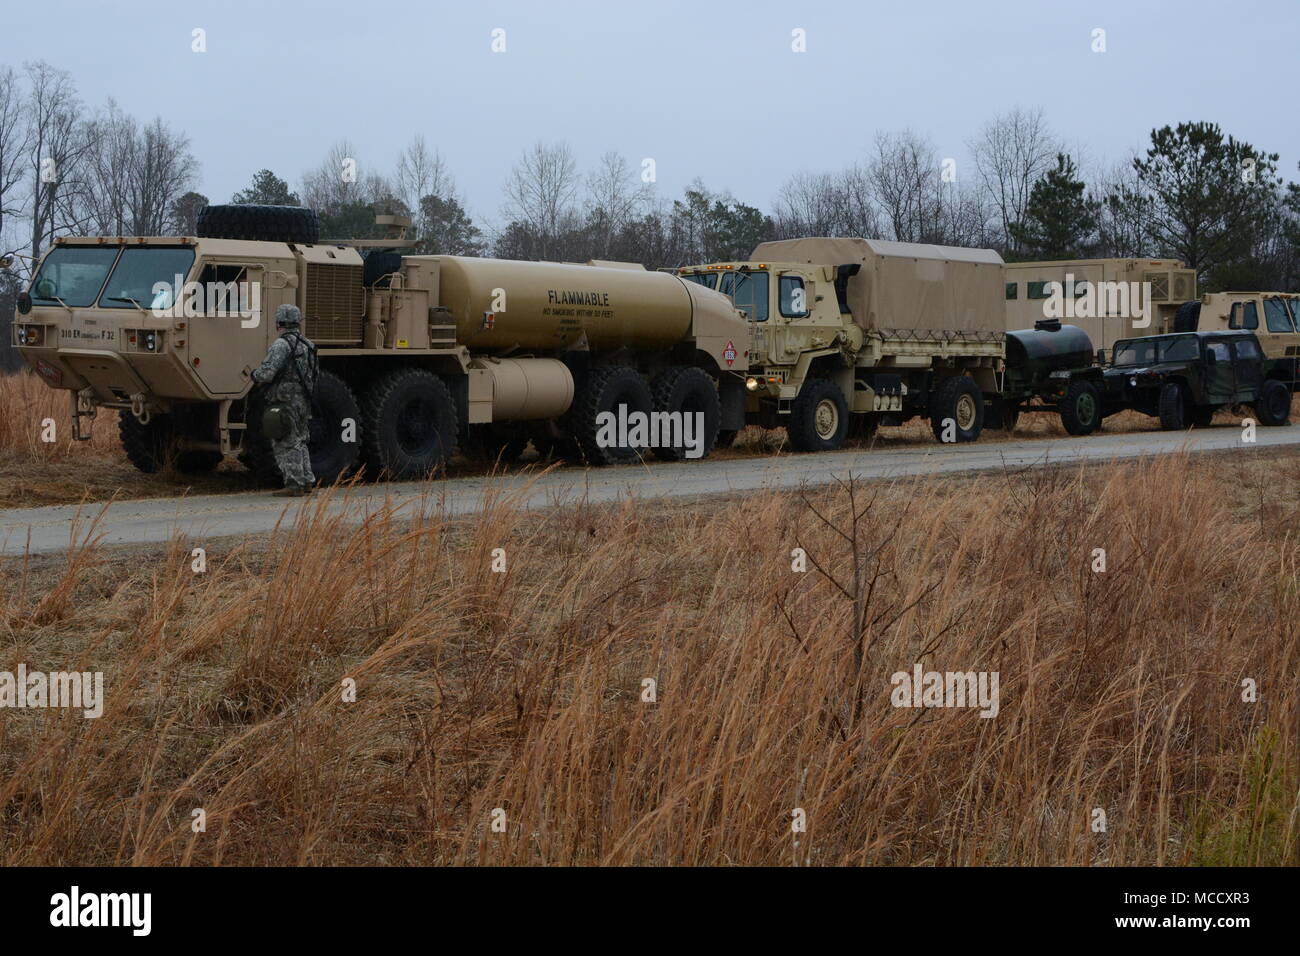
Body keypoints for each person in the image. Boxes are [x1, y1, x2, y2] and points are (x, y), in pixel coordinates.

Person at [252, 304, 318, 496]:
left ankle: (294, 484)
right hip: (303, 401)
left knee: (285, 441)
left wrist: (254, 375)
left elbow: (267, 372)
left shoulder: (281, 345)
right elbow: (315, 373)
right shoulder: (308, 345)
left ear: (279, 323)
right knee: (301, 439)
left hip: (284, 400)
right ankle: (306, 481)